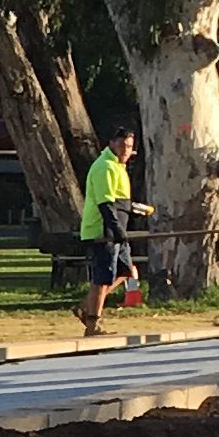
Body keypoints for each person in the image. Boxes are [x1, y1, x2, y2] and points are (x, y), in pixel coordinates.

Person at [75, 129, 139, 330]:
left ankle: (86, 306)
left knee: (127, 271)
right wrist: (116, 230)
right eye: (121, 145)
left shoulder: (119, 167)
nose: (125, 150)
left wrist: (133, 209)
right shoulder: (106, 167)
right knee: (102, 278)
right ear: (111, 143)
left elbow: (118, 200)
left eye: (129, 146)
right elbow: (105, 204)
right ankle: (92, 324)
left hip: (116, 231)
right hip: (102, 232)